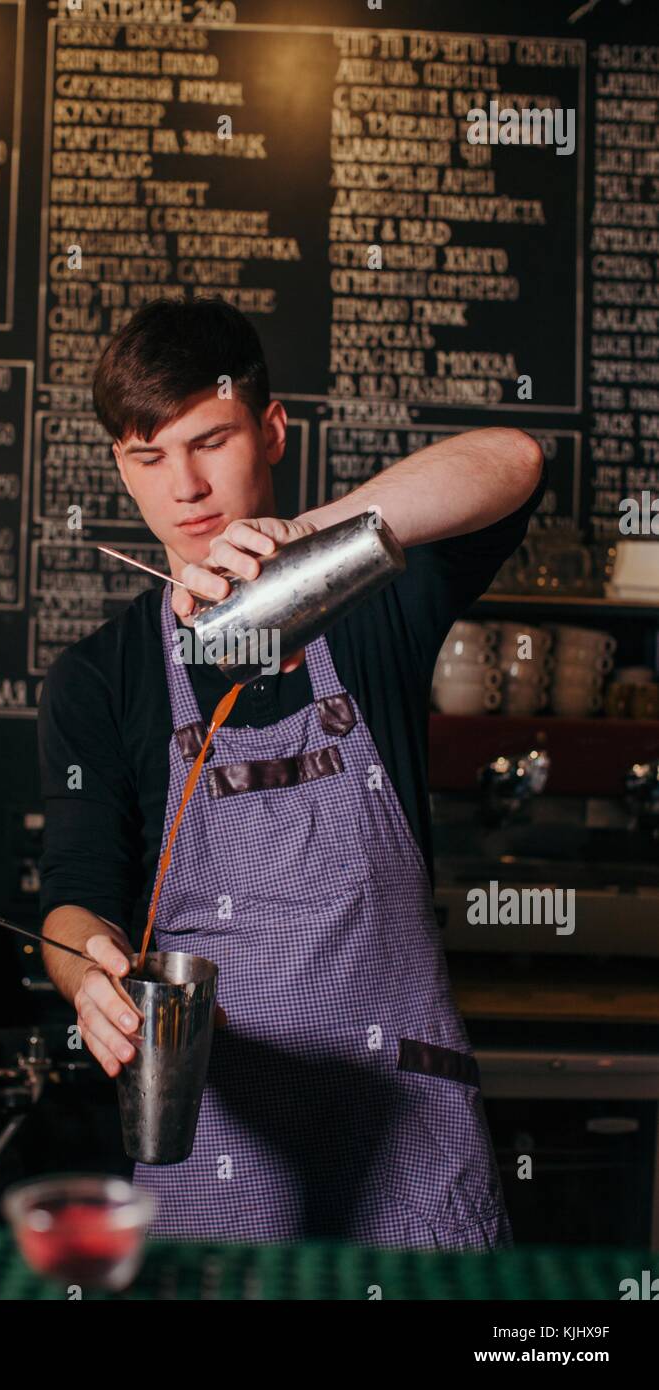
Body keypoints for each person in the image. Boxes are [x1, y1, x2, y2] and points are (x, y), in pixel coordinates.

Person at [37, 296, 546, 1248]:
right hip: (221, 1147)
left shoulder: (366, 603)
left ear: (271, 429)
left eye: (210, 440)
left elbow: (515, 462)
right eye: (149, 457)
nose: (184, 487)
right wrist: (86, 977)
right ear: (121, 468)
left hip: (411, 1157)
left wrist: (307, 540)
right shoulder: (97, 681)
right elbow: (74, 904)